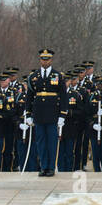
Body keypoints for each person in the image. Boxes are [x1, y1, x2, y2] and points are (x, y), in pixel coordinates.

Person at [27, 49, 66, 177]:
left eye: (47, 59)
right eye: (43, 59)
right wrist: (28, 114)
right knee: (40, 142)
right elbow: (29, 97)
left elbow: (63, 96)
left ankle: (51, 167)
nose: (45, 62)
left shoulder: (58, 76)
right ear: (40, 60)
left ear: (51, 60)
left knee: (52, 142)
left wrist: (62, 115)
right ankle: (43, 166)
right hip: (38, 114)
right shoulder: (33, 76)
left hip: (52, 113)